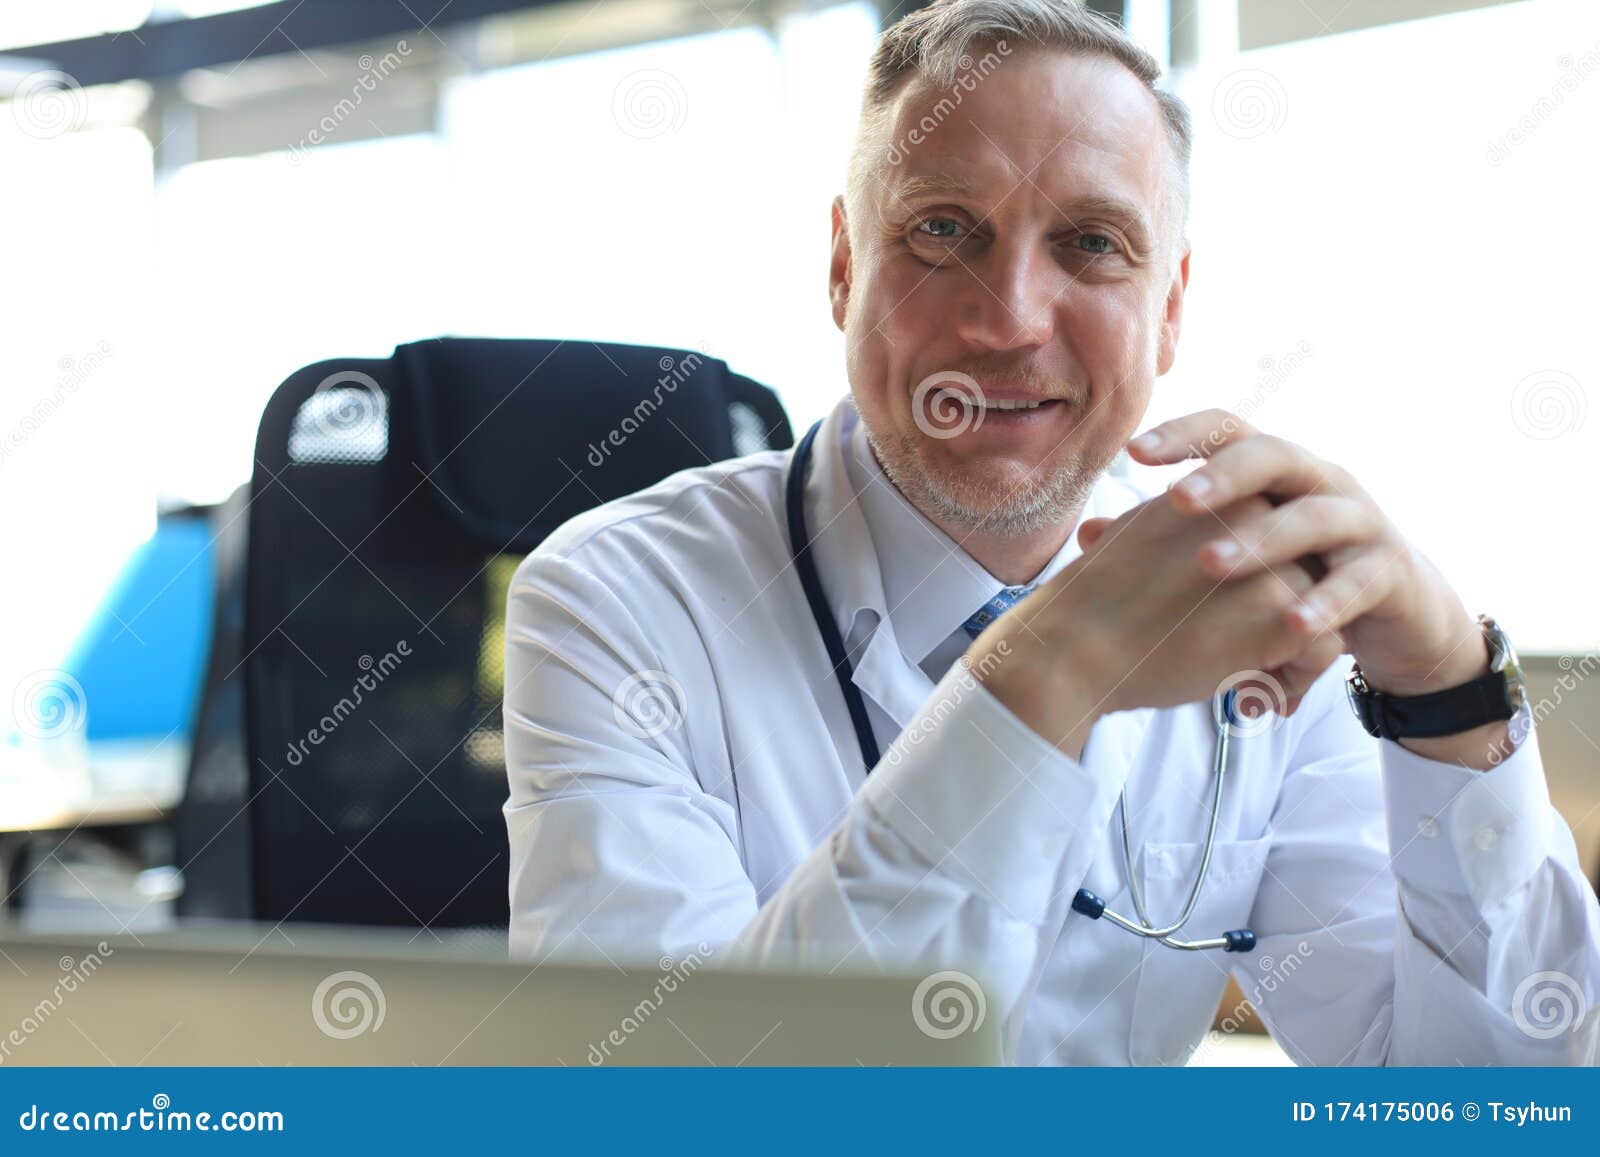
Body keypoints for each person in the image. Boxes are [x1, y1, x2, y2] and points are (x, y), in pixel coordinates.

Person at [502, 0, 1599, 1064]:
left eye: (1090, 242)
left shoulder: (1255, 607)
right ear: (843, 267)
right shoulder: (617, 597)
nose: (1010, 318)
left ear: (1169, 308)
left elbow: (1490, 1101)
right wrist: (1045, 674)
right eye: (942, 230)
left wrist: (1451, 691)